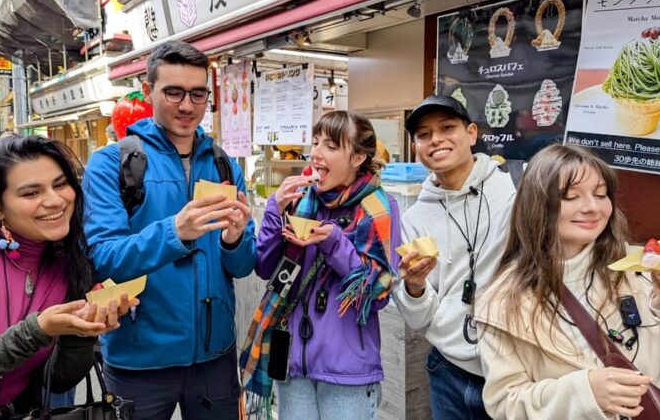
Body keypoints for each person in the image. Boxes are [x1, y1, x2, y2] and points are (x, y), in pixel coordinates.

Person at [475, 144, 660, 419]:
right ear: (537, 205)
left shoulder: (645, 271)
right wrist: (584, 392)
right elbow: (505, 404)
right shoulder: (501, 302)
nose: (592, 207)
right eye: (570, 196)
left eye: (601, 194)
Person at [83, 41, 256, 420]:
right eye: (173, 92)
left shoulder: (225, 165)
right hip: (139, 359)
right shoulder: (111, 163)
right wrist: (175, 231)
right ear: (148, 91)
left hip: (214, 355)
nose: (187, 106)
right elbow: (102, 257)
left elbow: (244, 267)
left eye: (198, 94)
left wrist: (235, 239)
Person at [0, 135, 137, 418]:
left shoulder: (65, 261)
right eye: (31, 193)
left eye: (60, 184)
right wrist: (35, 332)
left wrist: (83, 332)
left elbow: (58, 381)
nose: (55, 201)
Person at [241, 111, 401, 420]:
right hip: (293, 363)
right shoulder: (303, 201)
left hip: (347, 371)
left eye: (330, 145)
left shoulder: (378, 208)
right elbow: (265, 267)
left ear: (357, 157)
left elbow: (377, 293)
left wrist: (334, 243)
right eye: (315, 143)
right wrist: (276, 208)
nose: (315, 153)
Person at [393, 95, 516, 420]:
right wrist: (414, 287)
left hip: (512, 370)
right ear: (417, 147)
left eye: (447, 127)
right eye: (423, 134)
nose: (435, 139)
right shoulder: (415, 219)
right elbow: (418, 319)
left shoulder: (513, 191)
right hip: (447, 370)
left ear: (471, 133)